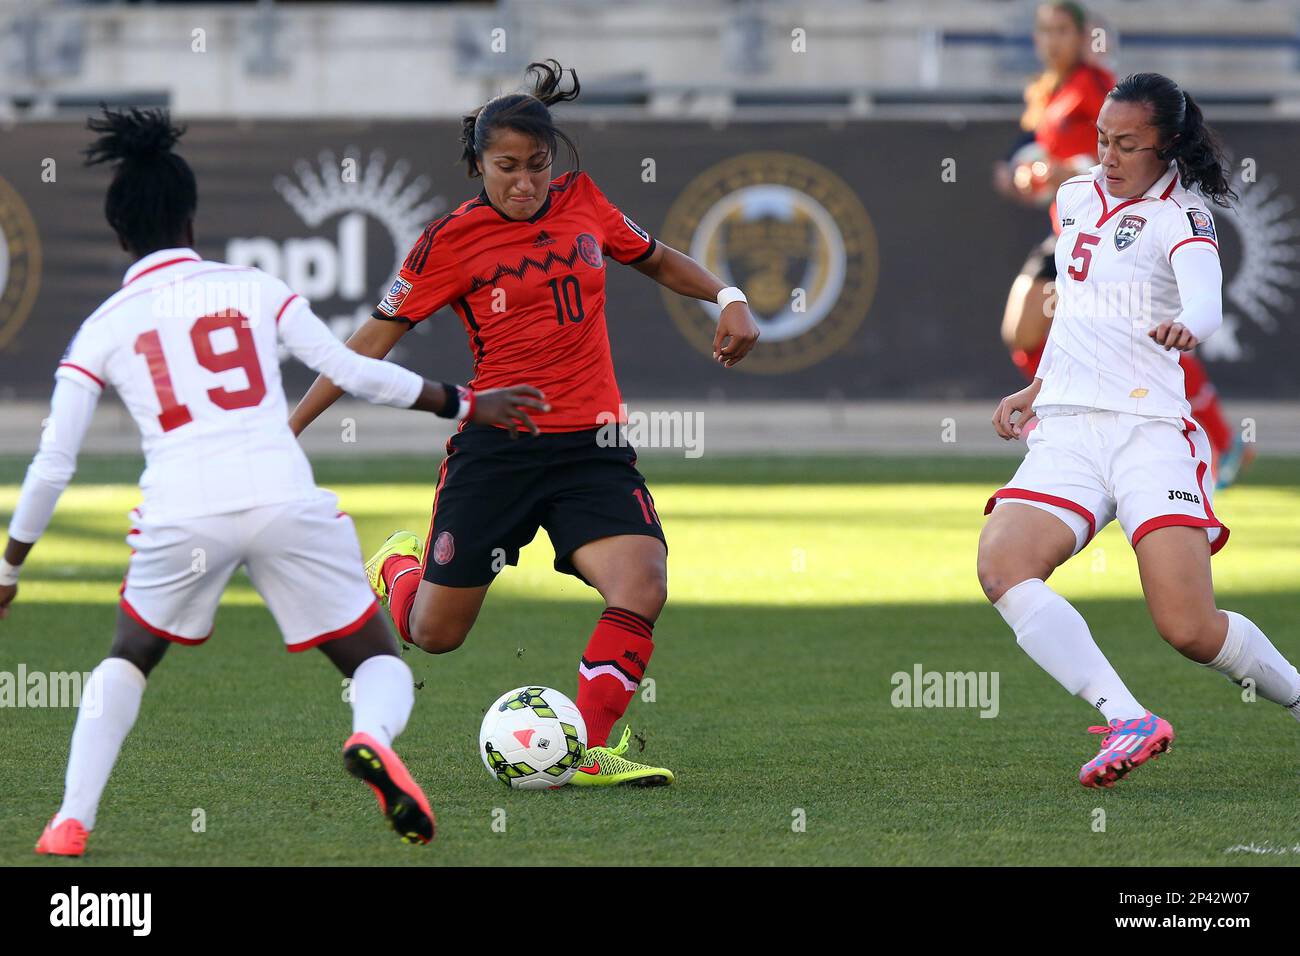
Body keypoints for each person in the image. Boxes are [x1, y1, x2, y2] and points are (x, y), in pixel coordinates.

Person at [0, 107, 547, 855]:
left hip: (181, 512)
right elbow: (351, 370)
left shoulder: (103, 325)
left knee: (129, 656)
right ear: (191, 219)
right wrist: (466, 401)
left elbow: (53, 460)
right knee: (376, 659)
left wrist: (10, 565)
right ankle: (370, 735)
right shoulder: (253, 287)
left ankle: (70, 820)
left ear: (120, 235)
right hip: (282, 495)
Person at [290, 60, 761, 787]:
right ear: (479, 164)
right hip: (497, 449)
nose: (525, 183)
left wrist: (727, 294)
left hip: (592, 447)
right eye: (506, 167)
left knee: (643, 583)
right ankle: (397, 566)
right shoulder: (448, 241)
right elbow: (369, 344)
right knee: (434, 635)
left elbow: (657, 258)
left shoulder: (584, 202)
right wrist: (289, 427)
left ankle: (586, 749)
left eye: (537, 166)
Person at [978, 74, 1300, 790]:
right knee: (1002, 566)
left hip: (1148, 432)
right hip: (1068, 429)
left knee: (1189, 628)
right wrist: (1038, 387)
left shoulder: (1183, 217)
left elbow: (1206, 303)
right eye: (1102, 140)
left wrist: (1193, 326)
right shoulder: (1072, 200)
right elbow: (1079, 310)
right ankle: (1126, 717)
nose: (1110, 156)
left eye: (1128, 144)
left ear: (1168, 146)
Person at [997, 3, 1252, 485]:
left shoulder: (1094, 87)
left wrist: (1061, 169)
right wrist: (1020, 174)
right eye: (1043, 31)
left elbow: (1107, 150)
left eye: (1061, 31)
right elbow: (1024, 156)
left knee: (1129, 336)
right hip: (1073, 229)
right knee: (1033, 328)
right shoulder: (1046, 93)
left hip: (1111, 231)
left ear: (1082, 36)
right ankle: (1056, 404)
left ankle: (1214, 436)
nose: (1051, 41)